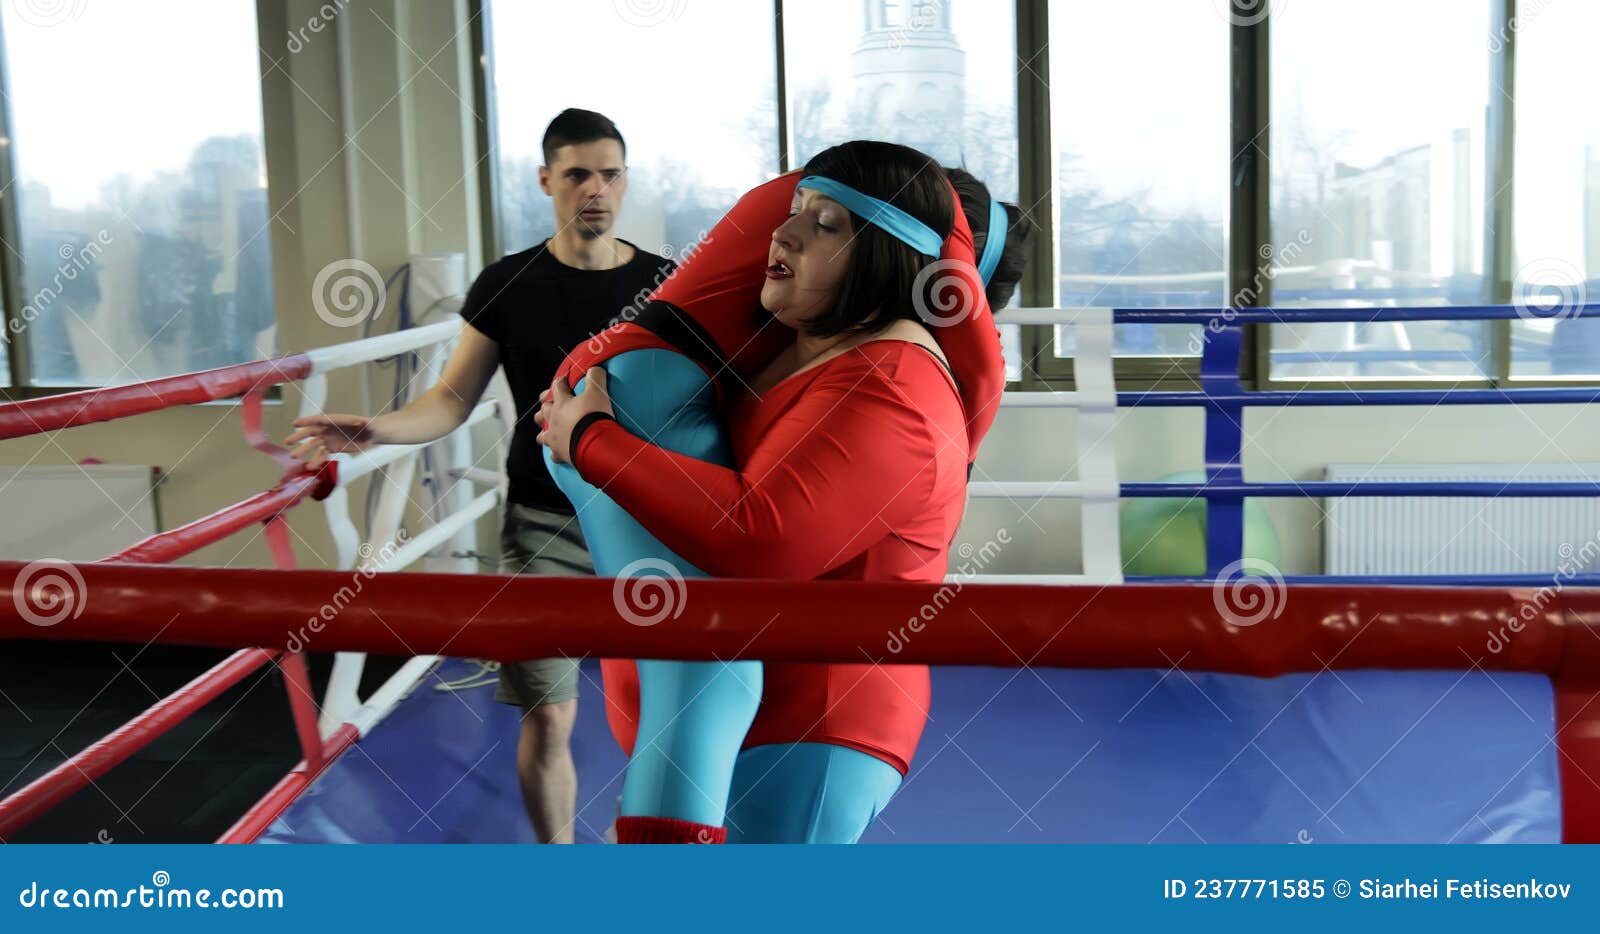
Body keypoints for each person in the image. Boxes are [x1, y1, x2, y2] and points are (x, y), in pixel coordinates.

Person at [536, 140, 1014, 843]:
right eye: (795, 212)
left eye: (825, 224)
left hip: (811, 729)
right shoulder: (808, 340)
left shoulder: (898, 391)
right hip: (740, 721)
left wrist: (592, 442)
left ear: (891, 257)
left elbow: (763, 537)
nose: (783, 233)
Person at [284, 108, 673, 844]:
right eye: (579, 174)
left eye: (611, 173)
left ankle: (657, 861)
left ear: (626, 182)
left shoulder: (665, 285)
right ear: (547, 181)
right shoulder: (509, 284)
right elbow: (453, 399)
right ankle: (557, 869)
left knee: (670, 711)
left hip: (647, 520)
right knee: (550, 711)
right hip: (544, 520)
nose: (597, 189)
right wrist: (374, 430)